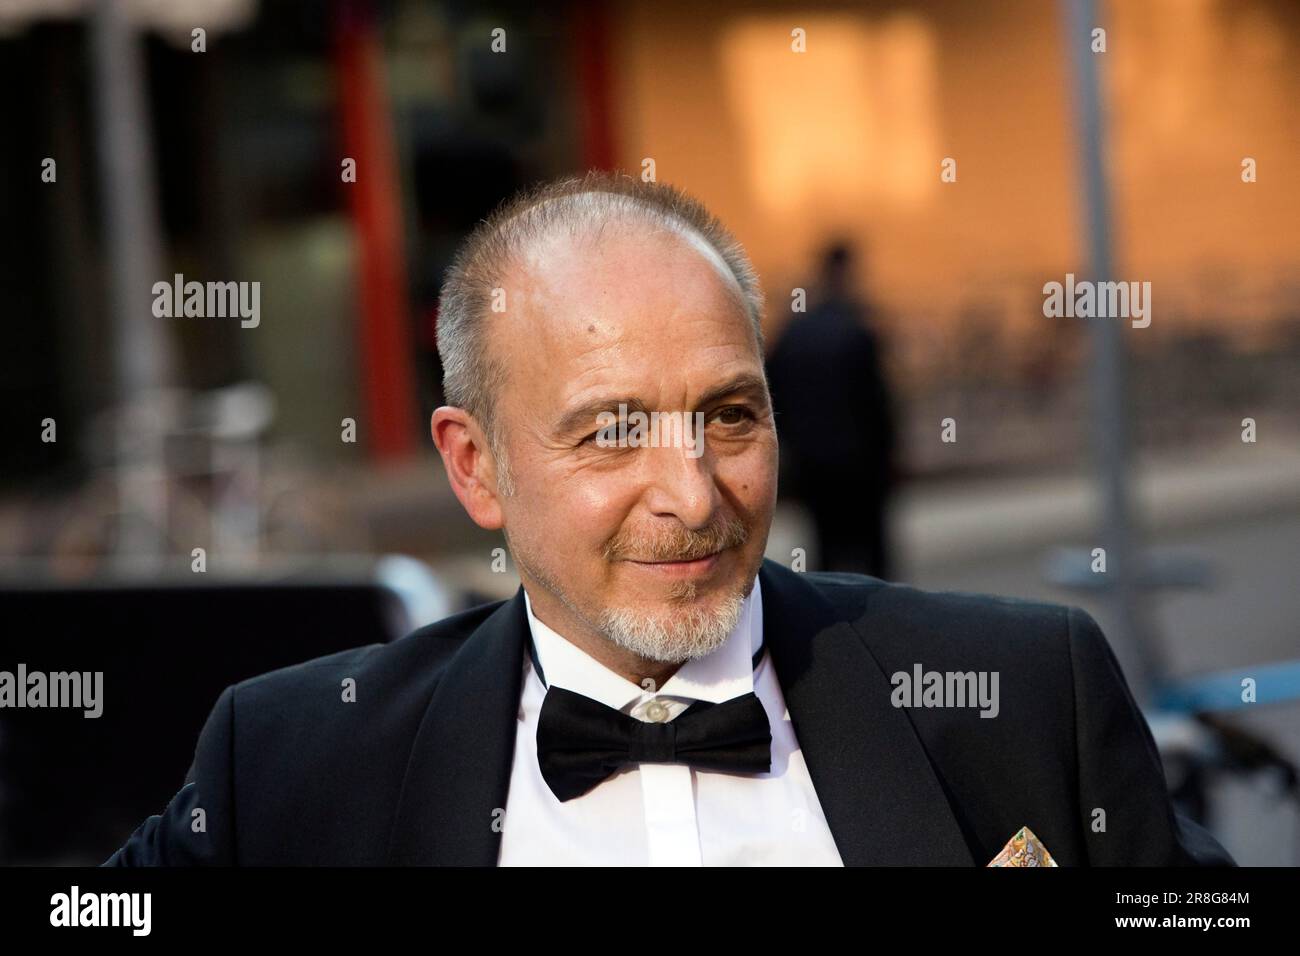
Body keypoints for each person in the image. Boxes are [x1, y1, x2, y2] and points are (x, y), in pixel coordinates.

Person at [105, 171, 1233, 866]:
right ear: (475, 464)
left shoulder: (1026, 697)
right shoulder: (293, 762)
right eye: (609, 430)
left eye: (729, 415)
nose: (693, 495)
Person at [766, 241, 897, 578]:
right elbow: (877, 405)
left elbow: (773, 397)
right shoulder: (856, 331)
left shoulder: (794, 333)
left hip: (813, 462)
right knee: (871, 551)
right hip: (860, 463)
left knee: (824, 548)